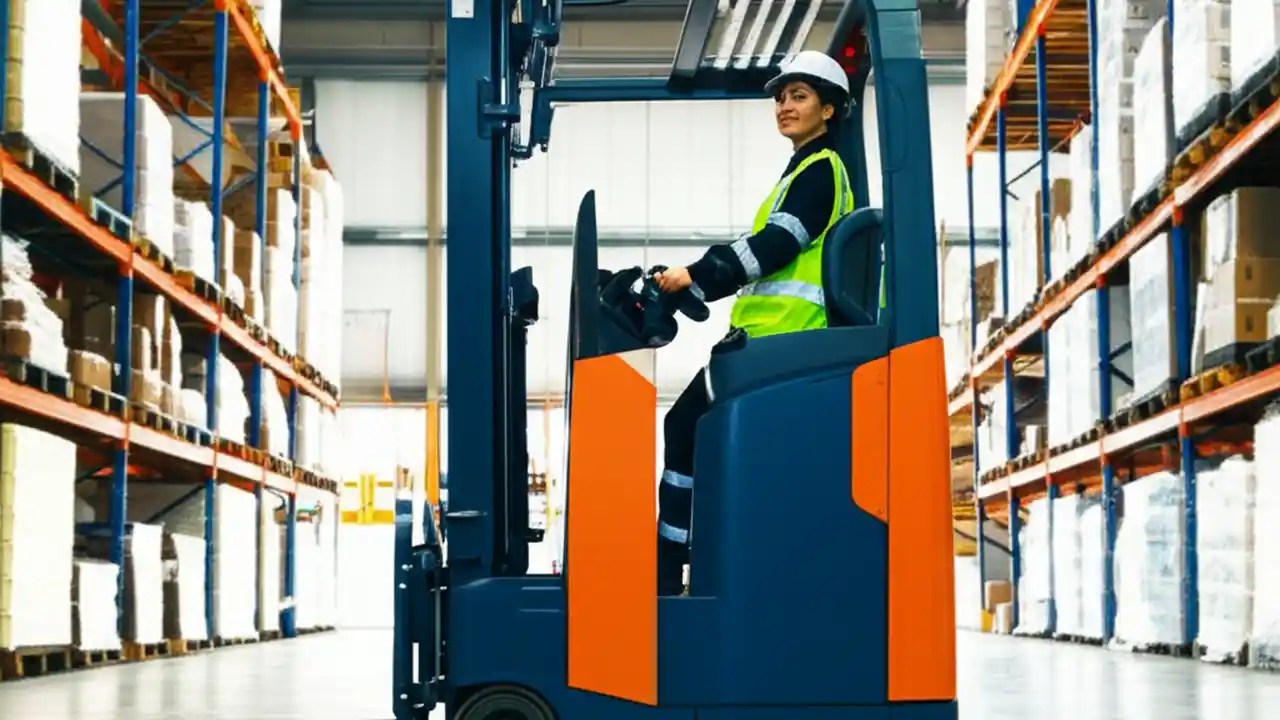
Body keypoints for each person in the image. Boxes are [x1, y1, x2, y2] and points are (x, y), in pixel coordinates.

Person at [651, 50, 857, 596]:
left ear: (829, 109)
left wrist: (695, 273)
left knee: (683, 426)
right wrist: (693, 286)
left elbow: (773, 247)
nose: (784, 107)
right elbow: (762, 258)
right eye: (781, 98)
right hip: (763, 342)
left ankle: (669, 571)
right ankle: (683, 560)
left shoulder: (820, 172)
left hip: (783, 342)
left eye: (799, 96)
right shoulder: (800, 173)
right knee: (693, 430)